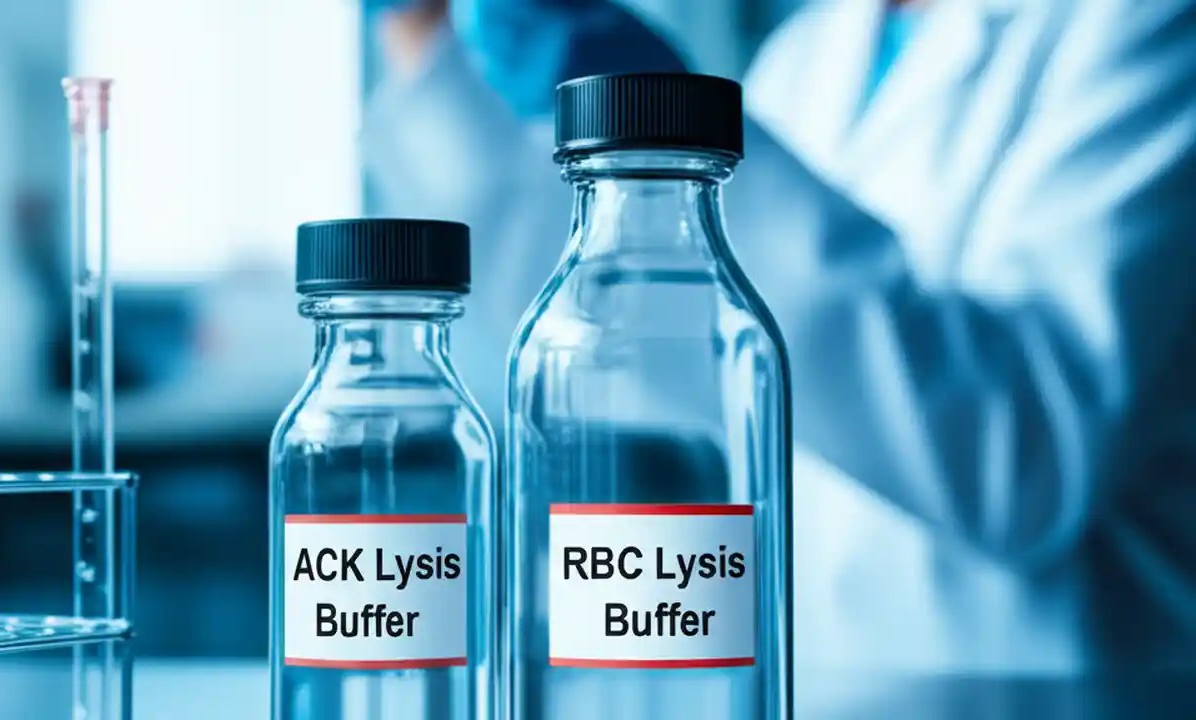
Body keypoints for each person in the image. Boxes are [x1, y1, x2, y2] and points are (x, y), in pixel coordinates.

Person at [362, 0, 1196, 671]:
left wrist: (671, 151)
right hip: (826, 680)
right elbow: (637, 333)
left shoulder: (1145, 26)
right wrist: (425, 35)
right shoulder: (813, 51)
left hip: (1066, 680)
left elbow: (1023, 454)